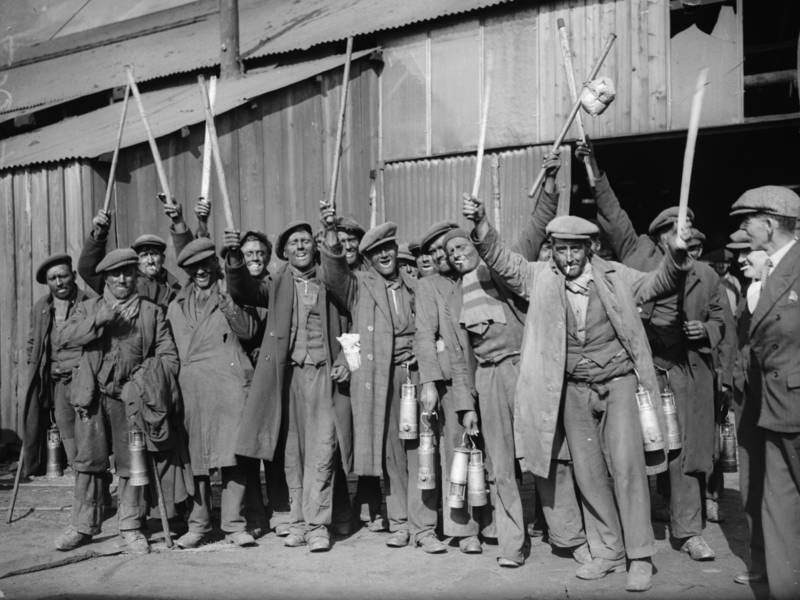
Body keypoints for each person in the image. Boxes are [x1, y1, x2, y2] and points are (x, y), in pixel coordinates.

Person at [464, 195, 691, 591]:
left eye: (575, 249)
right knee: (588, 473)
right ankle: (608, 550)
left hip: (619, 381)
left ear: (591, 249)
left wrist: (674, 257)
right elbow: (502, 259)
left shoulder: (617, 275)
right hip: (570, 388)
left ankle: (640, 556)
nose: (568, 257)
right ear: (552, 251)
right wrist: (482, 224)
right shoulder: (539, 277)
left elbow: (657, 284)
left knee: (626, 466)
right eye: (560, 249)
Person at [580, 142, 726, 561]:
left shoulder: (704, 274)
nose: (683, 238)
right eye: (675, 231)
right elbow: (612, 213)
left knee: (681, 453)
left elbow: (722, 320)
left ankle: (688, 530)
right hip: (638, 370)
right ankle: (636, 531)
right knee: (635, 450)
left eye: (688, 233)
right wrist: (592, 168)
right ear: (662, 235)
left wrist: (707, 330)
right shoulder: (635, 253)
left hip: (679, 369)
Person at [319, 212, 445, 554]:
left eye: (388, 247)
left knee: (422, 453)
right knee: (391, 455)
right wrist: (330, 232)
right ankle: (400, 523)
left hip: (415, 377)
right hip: (381, 381)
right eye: (376, 252)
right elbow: (333, 275)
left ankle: (425, 528)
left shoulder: (417, 286)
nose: (385, 255)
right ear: (368, 258)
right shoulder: (359, 286)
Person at [225, 221, 352, 552]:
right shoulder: (277, 282)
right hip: (289, 378)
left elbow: (352, 318)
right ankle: (296, 522)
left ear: (315, 246)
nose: (301, 247)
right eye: (294, 242)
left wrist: (346, 362)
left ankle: (318, 525)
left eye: (307, 241)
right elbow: (243, 290)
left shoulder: (330, 280)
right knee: (291, 455)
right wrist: (235, 258)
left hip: (324, 375)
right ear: (283, 251)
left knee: (323, 450)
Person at [54, 248, 180, 554]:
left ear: (136, 275)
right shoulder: (88, 307)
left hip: (132, 400)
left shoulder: (151, 312)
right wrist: (99, 320)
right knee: (88, 462)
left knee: (132, 464)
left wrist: (141, 383)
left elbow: (169, 358)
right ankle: (83, 525)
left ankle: (131, 526)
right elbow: (65, 338)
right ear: (106, 279)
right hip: (93, 397)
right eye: (115, 274)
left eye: (127, 272)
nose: (122, 279)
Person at [729, 186, 800, 600]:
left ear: (769, 224)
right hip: (774, 409)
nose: (742, 230)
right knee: (779, 511)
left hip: (795, 407)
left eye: (746, 221)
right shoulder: (771, 270)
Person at [166, 238, 259, 549]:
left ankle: (234, 525)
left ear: (215, 266)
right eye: (194, 267)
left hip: (229, 383)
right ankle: (199, 524)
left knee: (234, 457)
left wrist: (229, 305)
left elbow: (247, 331)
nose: (201, 271)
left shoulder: (232, 293)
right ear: (188, 271)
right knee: (197, 460)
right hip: (193, 391)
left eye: (206, 264)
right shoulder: (176, 305)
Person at [22, 254, 93, 475]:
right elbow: (33, 341)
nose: (59, 282)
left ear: (73, 276)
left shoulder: (88, 302)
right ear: (47, 282)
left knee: (88, 428)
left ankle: (93, 474)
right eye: (53, 278)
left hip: (83, 378)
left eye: (63, 276)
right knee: (65, 427)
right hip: (56, 380)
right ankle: (78, 472)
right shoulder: (42, 307)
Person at [726, 229, 770, 585]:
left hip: (780, 401)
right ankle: (761, 562)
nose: (739, 259)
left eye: (747, 252)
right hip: (749, 400)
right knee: (752, 484)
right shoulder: (749, 292)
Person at [78, 208, 180, 307]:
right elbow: (87, 269)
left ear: (163, 258)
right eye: (144, 255)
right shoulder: (123, 282)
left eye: (154, 254)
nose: (150, 261)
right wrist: (99, 235)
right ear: (136, 261)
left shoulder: (173, 287)